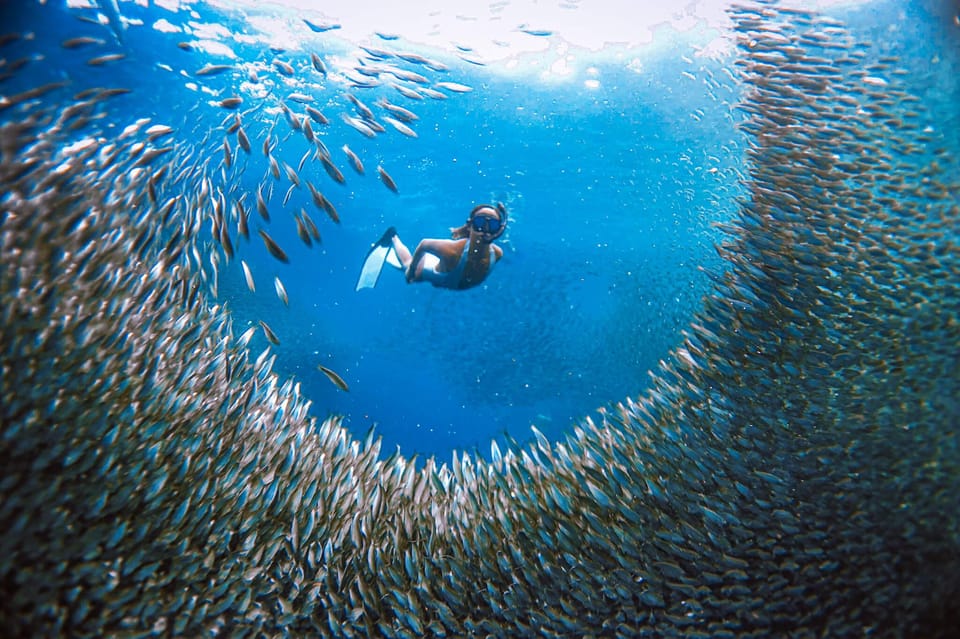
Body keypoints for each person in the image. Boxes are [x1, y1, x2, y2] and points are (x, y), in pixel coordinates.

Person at [356, 203, 507, 291]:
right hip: (432, 271)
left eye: (492, 225)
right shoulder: (453, 251)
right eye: (480, 223)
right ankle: (393, 237)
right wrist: (411, 271)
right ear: (471, 225)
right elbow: (424, 244)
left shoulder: (498, 253)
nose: (485, 230)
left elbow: (478, 256)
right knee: (407, 266)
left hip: (449, 281)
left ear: (498, 230)